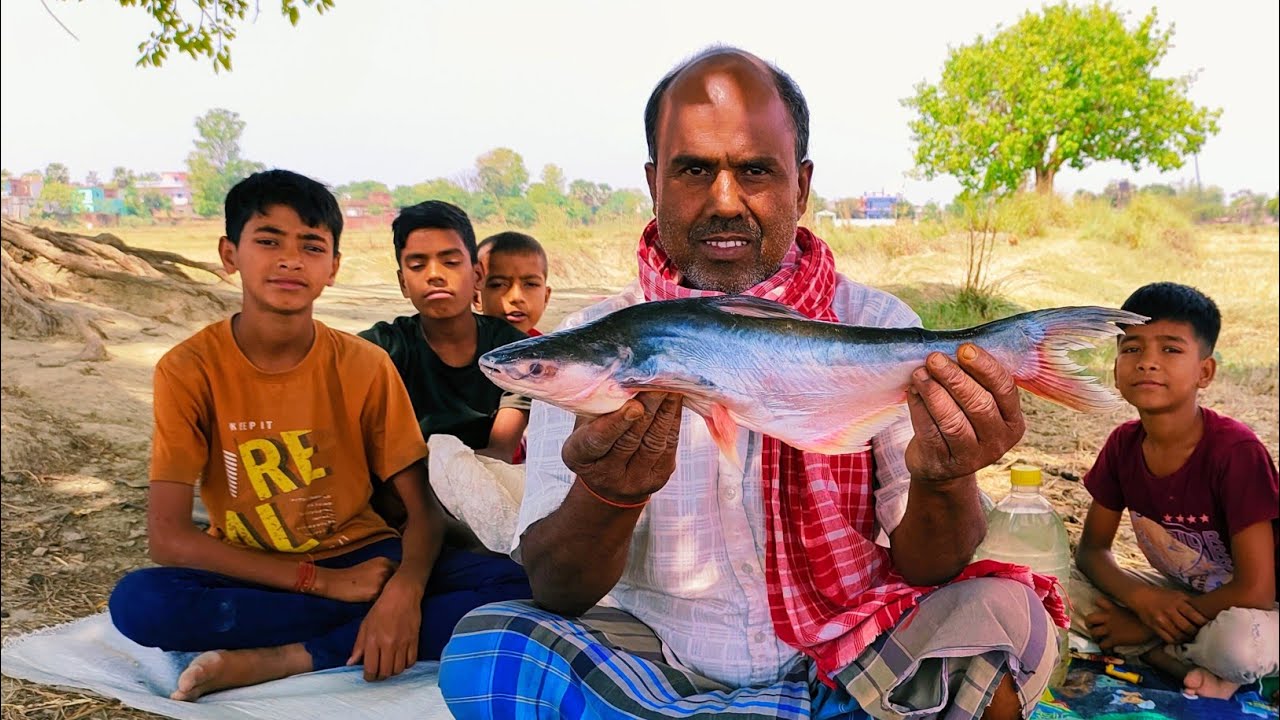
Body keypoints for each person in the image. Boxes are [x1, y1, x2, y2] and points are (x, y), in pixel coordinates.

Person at [438, 47, 1065, 720]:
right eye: (694, 170)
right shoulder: (594, 335)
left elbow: (928, 567)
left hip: (850, 648)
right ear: (655, 180)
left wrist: (946, 479)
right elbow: (558, 588)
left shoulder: (880, 326)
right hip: (654, 654)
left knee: (1001, 616)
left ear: (802, 183)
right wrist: (607, 495)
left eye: (755, 171)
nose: (725, 200)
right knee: (489, 646)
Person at [107, 170, 531, 702]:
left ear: (332, 267)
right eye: (268, 241)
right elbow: (168, 537)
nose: (289, 260)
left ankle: (291, 656)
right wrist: (322, 583)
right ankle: (351, 632)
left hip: (367, 558)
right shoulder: (188, 369)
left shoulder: (365, 365)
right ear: (229, 253)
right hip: (257, 566)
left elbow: (421, 511)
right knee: (140, 603)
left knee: (522, 587)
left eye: (311, 246)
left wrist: (402, 592)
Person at [1072, 282, 1278, 699]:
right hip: (1182, 599)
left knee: (1240, 646)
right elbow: (1092, 551)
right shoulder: (1122, 445)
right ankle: (1176, 659)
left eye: (1170, 349)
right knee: (1055, 586)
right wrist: (1143, 598)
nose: (1147, 362)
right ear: (1115, 367)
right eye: (1131, 348)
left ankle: (1155, 650)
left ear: (1205, 372)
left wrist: (1145, 621)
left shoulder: (1235, 452)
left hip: (1255, 608)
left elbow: (1257, 589)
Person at [359, 202, 531, 461]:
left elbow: (499, 452)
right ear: (403, 283)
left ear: (477, 275)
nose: (435, 275)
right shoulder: (386, 346)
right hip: (402, 491)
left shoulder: (511, 350)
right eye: (417, 266)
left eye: (450, 262)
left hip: (486, 483)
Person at [477, 231, 552, 336]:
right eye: (498, 284)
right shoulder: (458, 349)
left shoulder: (547, 349)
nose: (516, 297)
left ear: (546, 297)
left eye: (530, 284)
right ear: (476, 297)